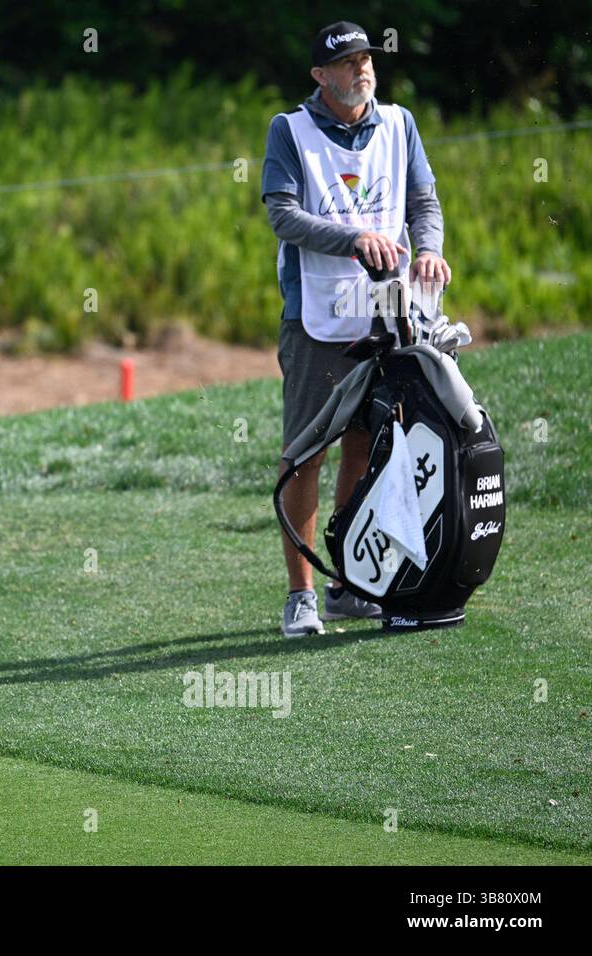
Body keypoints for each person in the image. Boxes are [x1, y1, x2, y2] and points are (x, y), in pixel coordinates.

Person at [261, 20, 451, 636]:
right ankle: (301, 597)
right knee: (306, 453)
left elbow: (424, 202)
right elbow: (283, 215)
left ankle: (350, 583)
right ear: (320, 75)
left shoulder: (399, 124)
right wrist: (351, 237)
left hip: (388, 312)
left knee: (368, 447)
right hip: (316, 318)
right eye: (346, 63)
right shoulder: (289, 130)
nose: (361, 69)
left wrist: (427, 248)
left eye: (366, 59)